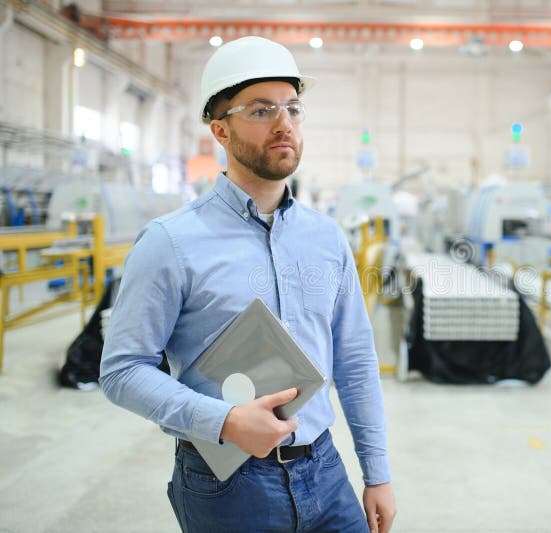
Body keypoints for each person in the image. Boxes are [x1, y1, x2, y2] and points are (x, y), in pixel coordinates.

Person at [100, 36, 396, 533]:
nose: (284, 124)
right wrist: (224, 421)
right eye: (261, 110)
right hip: (228, 485)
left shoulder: (326, 238)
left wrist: (377, 472)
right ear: (220, 129)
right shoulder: (170, 242)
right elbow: (122, 370)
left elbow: (356, 360)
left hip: (325, 471)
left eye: (293, 108)